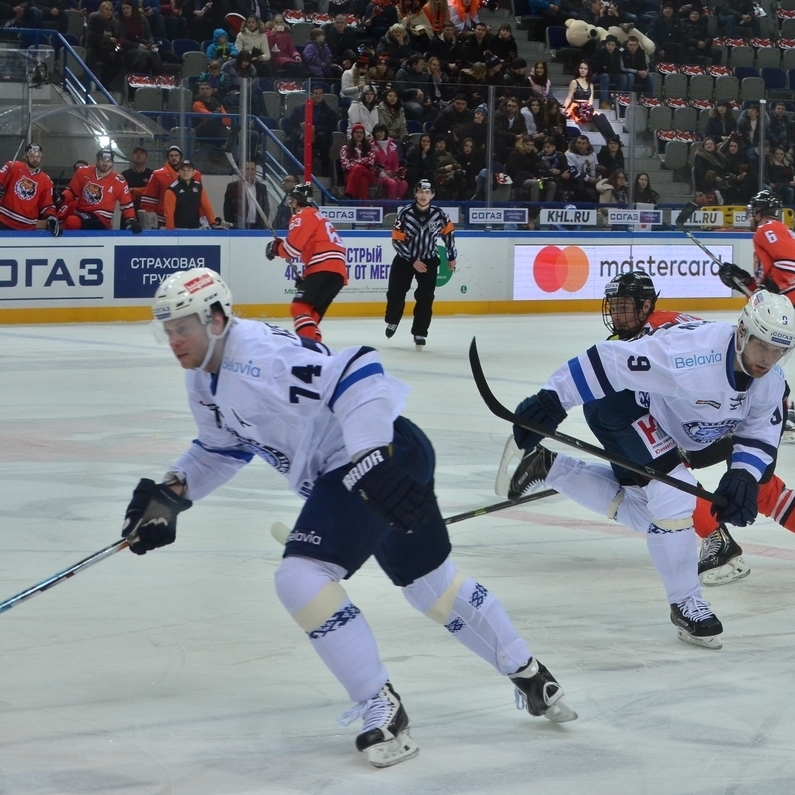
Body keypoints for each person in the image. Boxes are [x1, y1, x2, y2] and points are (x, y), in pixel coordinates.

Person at [131, 268, 574, 769]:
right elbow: (221, 449)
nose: (174, 341)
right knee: (431, 585)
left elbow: (360, 370)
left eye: (182, 328)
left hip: (378, 454)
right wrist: (171, 493)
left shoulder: (257, 358)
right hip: (382, 457)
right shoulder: (204, 380)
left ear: (215, 318)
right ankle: (532, 674)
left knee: (300, 576)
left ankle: (383, 709)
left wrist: (369, 459)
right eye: (167, 331)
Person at [499, 290, 795, 649]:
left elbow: (761, 430)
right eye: (760, 346)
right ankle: (687, 603)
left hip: (658, 422)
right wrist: (552, 399)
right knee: (674, 498)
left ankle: (548, 468)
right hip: (618, 407)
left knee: (655, 518)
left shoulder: (770, 380)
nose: (766, 359)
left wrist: (744, 475)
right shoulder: (691, 356)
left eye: (776, 350)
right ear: (741, 333)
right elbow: (608, 360)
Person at [536, 272, 795, 584]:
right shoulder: (676, 326)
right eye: (616, 307)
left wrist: (555, 402)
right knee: (750, 485)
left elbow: (615, 378)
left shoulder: (659, 335)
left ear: (645, 306)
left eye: (625, 307)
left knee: (668, 478)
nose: (618, 315)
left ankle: (720, 541)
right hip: (722, 419)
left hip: (712, 418)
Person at [719, 188, 795, 436]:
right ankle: (781, 411)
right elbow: (766, 288)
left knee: (755, 354)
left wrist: (770, 290)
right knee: (759, 355)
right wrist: (740, 280)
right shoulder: (775, 232)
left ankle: (779, 412)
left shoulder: (768, 228)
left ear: (759, 212)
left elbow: (790, 266)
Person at [265, 183, 347, 342]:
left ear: (297, 201)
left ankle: (310, 351)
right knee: (310, 316)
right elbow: (319, 247)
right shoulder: (320, 217)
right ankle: (315, 348)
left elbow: (292, 250)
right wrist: (307, 277)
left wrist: (276, 248)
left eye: (292, 200)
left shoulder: (302, 215)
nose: (291, 204)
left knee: (299, 307)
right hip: (337, 273)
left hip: (323, 268)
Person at [385, 180, 457, 349]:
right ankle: (393, 320)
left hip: (429, 259)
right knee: (395, 293)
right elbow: (396, 240)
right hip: (405, 259)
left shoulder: (440, 215)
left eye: (427, 192)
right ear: (415, 194)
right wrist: (412, 260)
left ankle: (420, 332)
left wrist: (451, 256)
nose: (424, 195)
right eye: (421, 191)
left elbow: (449, 236)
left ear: (432, 195)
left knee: (426, 298)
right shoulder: (404, 213)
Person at [60, 148, 139, 232]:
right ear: (97, 160)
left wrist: (130, 219)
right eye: (102, 160)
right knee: (62, 222)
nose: (105, 163)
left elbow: (126, 204)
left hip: (101, 218)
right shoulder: (83, 172)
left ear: (112, 163)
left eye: (108, 161)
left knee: (73, 221)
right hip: (81, 212)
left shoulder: (119, 181)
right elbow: (72, 192)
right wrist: (61, 197)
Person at [0, 143, 59, 235]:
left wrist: (51, 216)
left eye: (38, 155)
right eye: (32, 155)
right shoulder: (13, 166)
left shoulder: (46, 180)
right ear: (26, 156)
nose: (35, 158)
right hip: (3, 221)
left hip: (27, 228)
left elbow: (47, 204)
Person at [143, 146, 203, 227]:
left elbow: (200, 200)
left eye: (176, 155)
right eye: (171, 155)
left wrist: (204, 217)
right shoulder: (158, 174)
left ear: (181, 157)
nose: (173, 158)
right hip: (163, 220)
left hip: (189, 219)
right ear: (167, 157)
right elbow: (149, 198)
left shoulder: (196, 174)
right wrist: (149, 217)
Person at [162, 159, 220, 229]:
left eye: (188, 170)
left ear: (193, 173)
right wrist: (171, 232)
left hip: (195, 229)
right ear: (178, 172)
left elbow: (207, 207)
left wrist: (213, 223)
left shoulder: (199, 187)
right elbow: (169, 213)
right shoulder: (172, 189)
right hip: (178, 229)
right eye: (183, 170)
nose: (185, 172)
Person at [223, 159, 270, 228]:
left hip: (258, 227)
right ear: (242, 171)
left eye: (253, 169)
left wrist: (263, 223)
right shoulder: (233, 186)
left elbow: (265, 207)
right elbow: (227, 209)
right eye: (247, 169)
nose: (250, 171)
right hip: (239, 226)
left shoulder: (262, 187)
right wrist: (233, 224)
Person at [370, 123, 408, 200]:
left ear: (385, 132)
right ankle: (389, 208)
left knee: (404, 184)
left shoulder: (392, 146)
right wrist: (383, 172)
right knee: (392, 183)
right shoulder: (371, 146)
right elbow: (371, 164)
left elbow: (395, 162)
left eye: (381, 131)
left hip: (391, 174)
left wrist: (395, 172)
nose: (379, 134)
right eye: (377, 132)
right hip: (377, 175)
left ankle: (396, 204)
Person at [340, 122, 376, 200]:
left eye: (361, 132)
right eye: (357, 132)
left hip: (369, 174)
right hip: (351, 176)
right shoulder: (345, 148)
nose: (359, 134)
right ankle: (363, 206)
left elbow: (371, 162)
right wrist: (363, 161)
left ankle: (349, 193)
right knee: (363, 180)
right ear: (352, 134)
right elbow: (345, 166)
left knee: (358, 168)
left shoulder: (370, 147)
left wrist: (354, 162)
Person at [121, 146, 153, 214]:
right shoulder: (124, 174)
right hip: (127, 210)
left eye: (142, 153)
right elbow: (122, 192)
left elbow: (151, 191)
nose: (138, 155)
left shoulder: (152, 174)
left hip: (146, 211)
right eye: (136, 153)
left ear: (146, 158)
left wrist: (132, 190)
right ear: (132, 157)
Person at [563, 61, 595, 125]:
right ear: (578, 69)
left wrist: (589, 110)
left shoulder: (591, 85)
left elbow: (591, 101)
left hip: (586, 108)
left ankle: (612, 135)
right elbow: (569, 98)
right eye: (581, 68)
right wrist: (563, 109)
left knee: (601, 116)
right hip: (576, 107)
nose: (583, 70)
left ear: (588, 71)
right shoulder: (574, 82)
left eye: (585, 69)